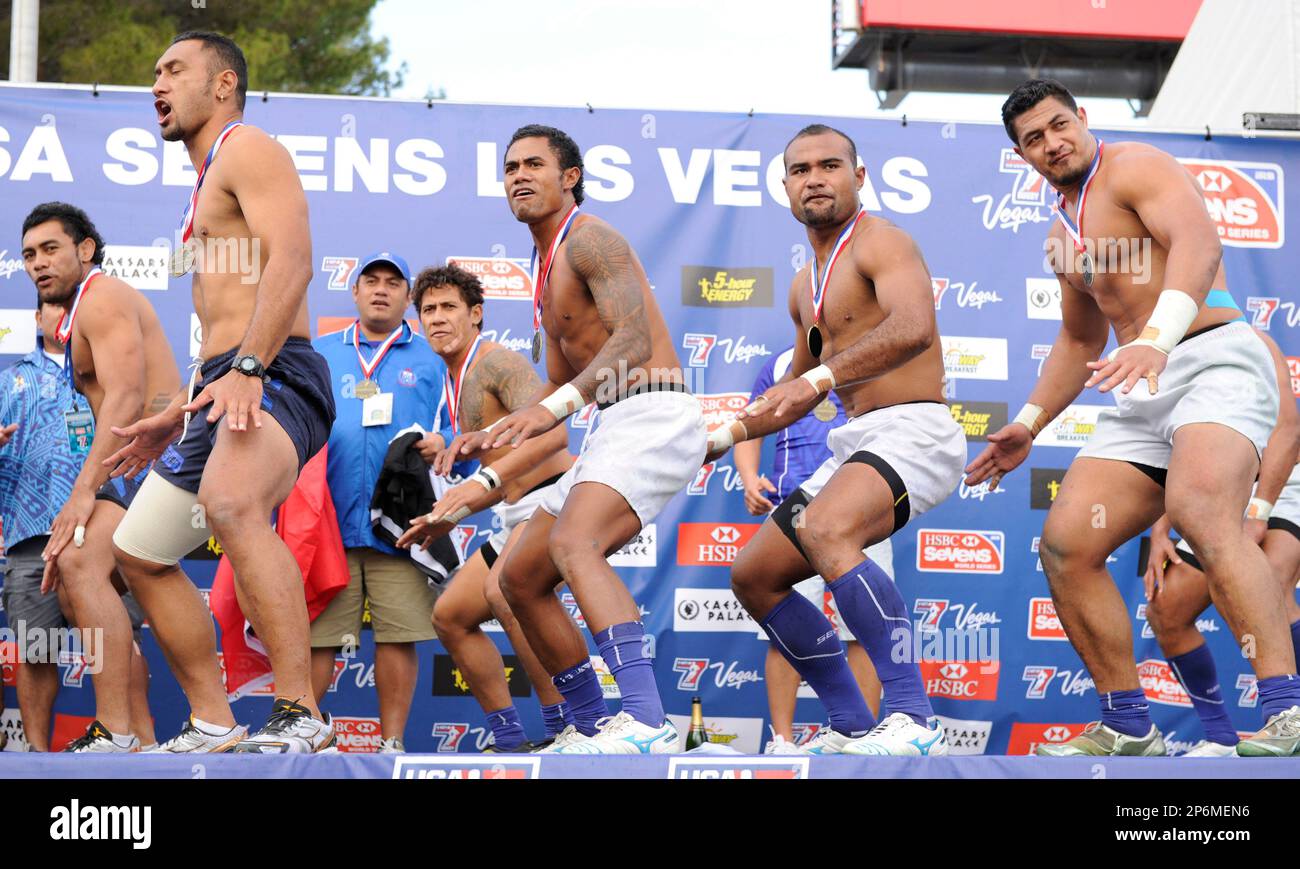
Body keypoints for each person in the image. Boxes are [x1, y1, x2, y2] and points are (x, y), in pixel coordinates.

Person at [967, 78, 1300, 757]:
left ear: (1084, 119)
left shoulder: (1137, 165)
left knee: (1204, 512)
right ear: (1022, 156)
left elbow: (1199, 245)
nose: (1052, 142)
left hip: (1212, 359)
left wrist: (1156, 337)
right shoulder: (1061, 236)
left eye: (1060, 125)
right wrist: (1029, 422)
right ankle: (1127, 723)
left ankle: (1287, 708)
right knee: (1066, 543)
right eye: (1034, 138)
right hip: (1145, 388)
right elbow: (1082, 342)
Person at [104, 30, 337, 754]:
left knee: (233, 503)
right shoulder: (205, 180)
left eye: (174, 69)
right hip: (225, 378)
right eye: (154, 71)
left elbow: (294, 261)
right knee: (139, 548)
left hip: (278, 370)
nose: (158, 83)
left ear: (225, 83)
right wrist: (180, 409)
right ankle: (213, 719)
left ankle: (301, 711)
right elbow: (221, 314)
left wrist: (251, 368)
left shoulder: (249, 148)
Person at [449, 124, 708, 754]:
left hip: (654, 411)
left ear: (569, 179)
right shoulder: (545, 267)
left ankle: (646, 722)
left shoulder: (593, 241)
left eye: (534, 164)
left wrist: (557, 406)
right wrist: (490, 435)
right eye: (510, 167)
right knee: (519, 576)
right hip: (613, 425)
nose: (519, 175)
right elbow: (561, 390)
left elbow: (634, 341)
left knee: (574, 542)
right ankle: (592, 727)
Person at [717, 123, 964, 756]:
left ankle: (912, 717)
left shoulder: (884, 243)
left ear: (859, 176)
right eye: (801, 170)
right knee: (755, 574)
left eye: (830, 165)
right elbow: (792, 388)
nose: (815, 178)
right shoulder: (806, 285)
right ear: (785, 187)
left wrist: (821, 378)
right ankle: (852, 723)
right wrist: (724, 435)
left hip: (915, 430)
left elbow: (914, 327)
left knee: (828, 528)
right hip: (856, 443)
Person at [398, 263, 577, 752]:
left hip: (556, 499)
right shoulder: (452, 380)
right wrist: (446, 516)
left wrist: (483, 477)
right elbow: (504, 476)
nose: (437, 318)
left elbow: (556, 433)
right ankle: (509, 736)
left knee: (505, 592)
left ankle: (565, 725)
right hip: (518, 510)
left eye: (449, 307)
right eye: (428, 310)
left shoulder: (496, 363)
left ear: (476, 315)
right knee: (451, 616)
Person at [18, 203, 176, 753]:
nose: (38, 263)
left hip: (152, 458)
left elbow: (129, 395)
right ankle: (137, 736)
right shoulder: (81, 310)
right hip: (138, 462)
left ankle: (119, 732)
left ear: (86, 249)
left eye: (51, 249)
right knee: (86, 587)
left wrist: (83, 493)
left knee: (80, 563)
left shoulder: (102, 296)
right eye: (29, 255)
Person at [308, 251, 453, 754]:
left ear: (407, 297)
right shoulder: (321, 353)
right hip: (327, 520)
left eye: (394, 282)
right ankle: (304, 735)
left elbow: (459, 433)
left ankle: (391, 743)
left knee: (398, 635)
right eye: (371, 280)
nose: (381, 289)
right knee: (317, 637)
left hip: (403, 522)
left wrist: (447, 445)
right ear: (354, 292)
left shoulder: (434, 360)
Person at [0, 298, 154, 751]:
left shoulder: (109, 376)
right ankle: (35, 753)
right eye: (51, 307)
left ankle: (138, 741)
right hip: (32, 535)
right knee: (35, 649)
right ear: (36, 317)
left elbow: (141, 447)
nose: (60, 316)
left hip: (104, 530)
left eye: (70, 308)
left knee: (120, 643)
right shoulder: (10, 382)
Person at [1142, 329, 1300, 756]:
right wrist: (1161, 528)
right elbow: (1173, 449)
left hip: (1279, 486)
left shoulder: (1249, 339)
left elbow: (1287, 433)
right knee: (1167, 606)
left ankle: (1289, 716)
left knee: (1274, 582)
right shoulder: (1157, 347)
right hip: (1219, 489)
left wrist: (1258, 513)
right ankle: (1220, 738)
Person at [732, 345, 882, 754]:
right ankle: (782, 740)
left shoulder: (869, 356)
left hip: (861, 501)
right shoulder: (783, 364)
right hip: (795, 503)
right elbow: (753, 421)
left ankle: (862, 740)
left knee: (864, 630)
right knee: (785, 629)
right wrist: (749, 477)